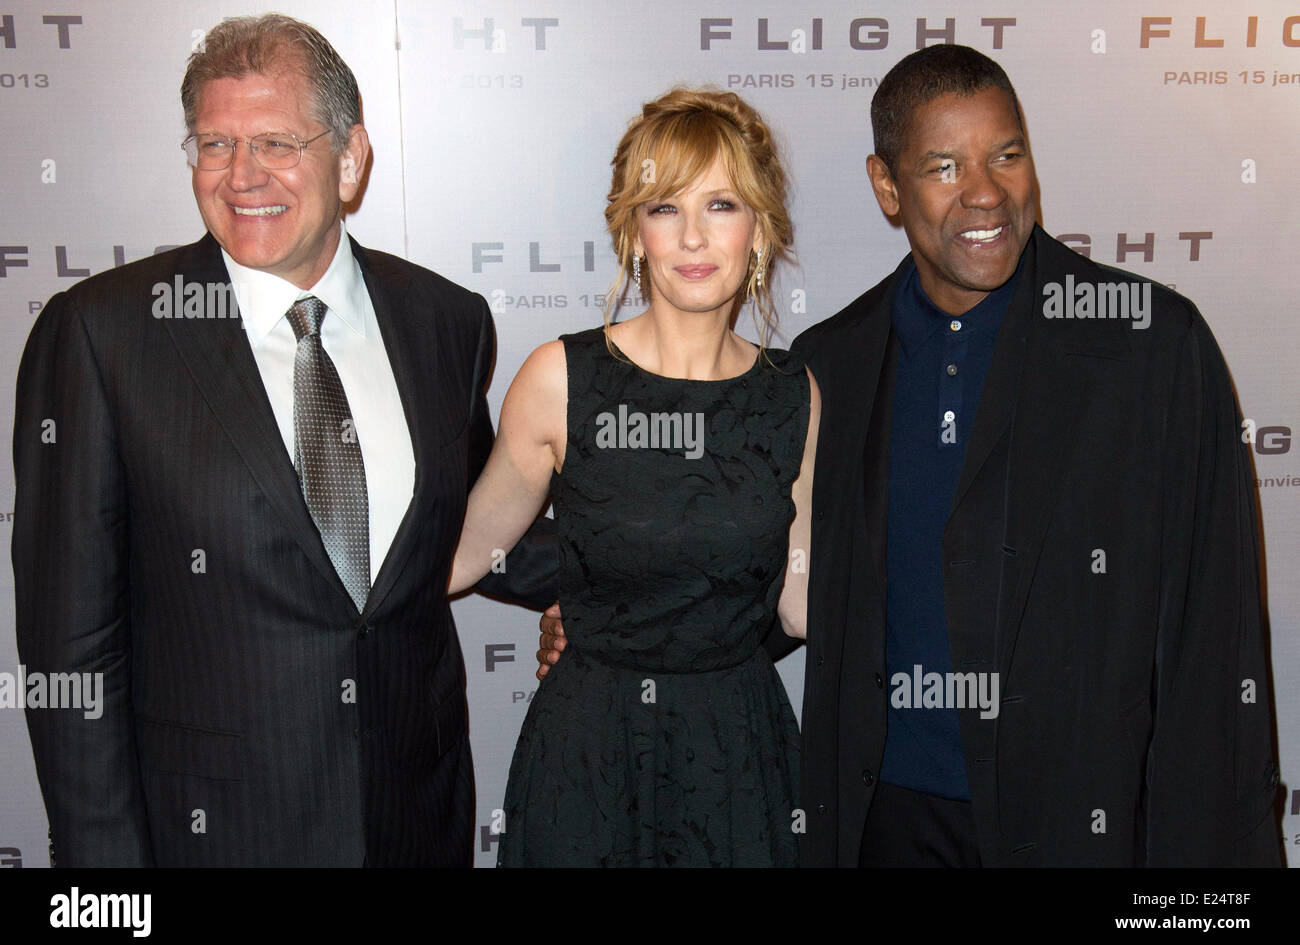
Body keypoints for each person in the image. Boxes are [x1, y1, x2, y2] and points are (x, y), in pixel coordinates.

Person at [540, 45, 1282, 866]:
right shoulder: (830, 368)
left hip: (1084, 824)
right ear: (887, 188)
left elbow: (1216, 644)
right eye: (943, 165)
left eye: (1007, 154)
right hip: (879, 825)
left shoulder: (1146, 346)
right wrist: (621, 619)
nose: (985, 191)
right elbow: (762, 571)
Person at [12, 13, 554, 867]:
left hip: (415, 822)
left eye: (274, 142)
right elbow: (71, 649)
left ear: (350, 158)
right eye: (214, 144)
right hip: (210, 837)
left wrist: (625, 584)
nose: (241, 176)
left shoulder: (444, 321)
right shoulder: (101, 334)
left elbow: (474, 526)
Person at [449, 88, 819, 866]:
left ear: (759, 229)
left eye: (720, 204)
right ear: (631, 229)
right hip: (590, 755)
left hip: (739, 752)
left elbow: (801, 602)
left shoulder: (793, 396)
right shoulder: (561, 377)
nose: (692, 235)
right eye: (663, 207)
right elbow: (461, 554)